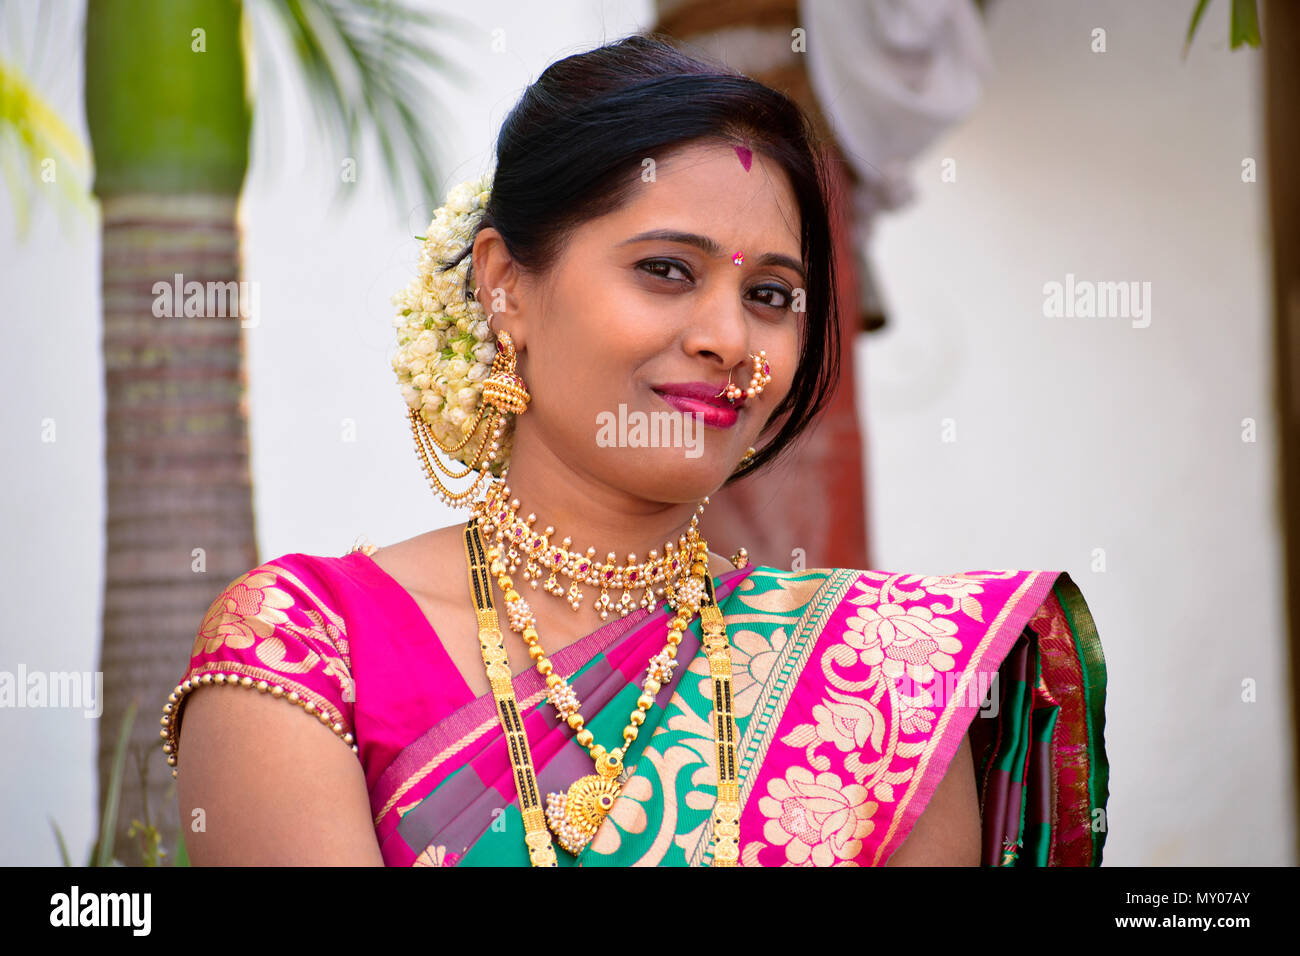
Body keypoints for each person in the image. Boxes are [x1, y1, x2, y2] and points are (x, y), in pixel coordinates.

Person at [160, 34, 1108, 867]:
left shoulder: (888, 681)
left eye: (770, 296)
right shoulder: (310, 648)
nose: (729, 339)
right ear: (505, 287)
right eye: (666, 270)